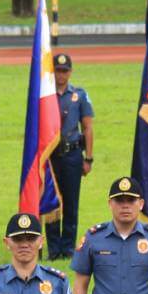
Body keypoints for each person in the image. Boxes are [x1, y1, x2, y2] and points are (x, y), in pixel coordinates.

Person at [45, 52, 94, 259]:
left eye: (65, 71)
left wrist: (88, 158)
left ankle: (69, 247)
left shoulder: (79, 95)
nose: (61, 75)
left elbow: (88, 127)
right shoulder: (45, 96)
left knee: (72, 202)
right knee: (52, 201)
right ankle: (54, 249)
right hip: (51, 156)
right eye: (58, 70)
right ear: (52, 72)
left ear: (70, 72)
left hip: (73, 154)